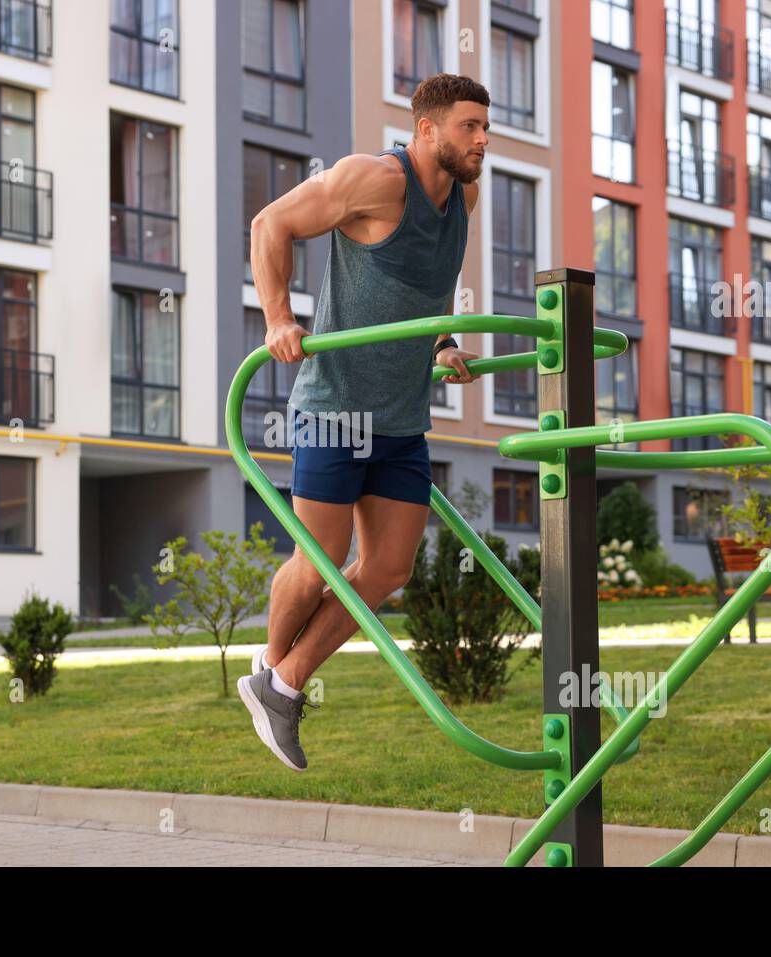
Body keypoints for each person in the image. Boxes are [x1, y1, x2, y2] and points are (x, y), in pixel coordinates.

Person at [238, 73, 491, 770]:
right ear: (428, 129)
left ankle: (282, 685)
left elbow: (430, 285)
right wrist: (279, 318)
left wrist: (441, 342)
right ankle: (269, 670)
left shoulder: (464, 196)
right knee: (317, 561)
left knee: (386, 566)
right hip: (335, 407)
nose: (481, 140)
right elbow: (270, 224)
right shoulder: (374, 180)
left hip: (402, 415)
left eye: (485, 127)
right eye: (469, 126)